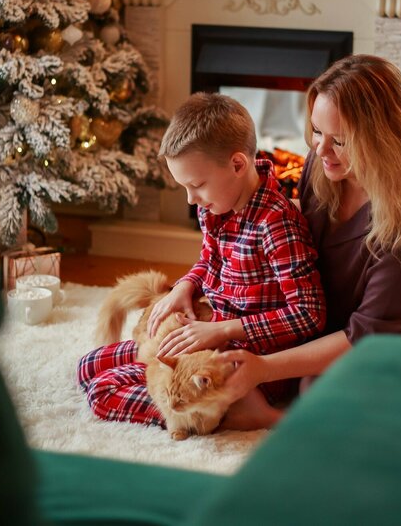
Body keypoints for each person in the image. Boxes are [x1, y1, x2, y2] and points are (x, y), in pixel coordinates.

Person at [212, 54, 401, 429]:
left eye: (341, 140)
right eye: (316, 131)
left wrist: (263, 369)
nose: (320, 149)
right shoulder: (324, 165)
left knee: (319, 389)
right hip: (329, 324)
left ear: (383, 139)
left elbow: (367, 337)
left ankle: (274, 420)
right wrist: (195, 285)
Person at [77, 92, 326, 427]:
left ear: (238, 164)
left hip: (242, 359)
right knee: (87, 367)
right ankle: (198, 403)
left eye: (196, 185)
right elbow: (209, 261)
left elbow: (309, 315)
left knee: (101, 392)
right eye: (184, 188)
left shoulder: (276, 224)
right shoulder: (217, 205)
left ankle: (208, 413)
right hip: (208, 333)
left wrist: (222, 330)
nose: (192, 199)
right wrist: (186, 285)